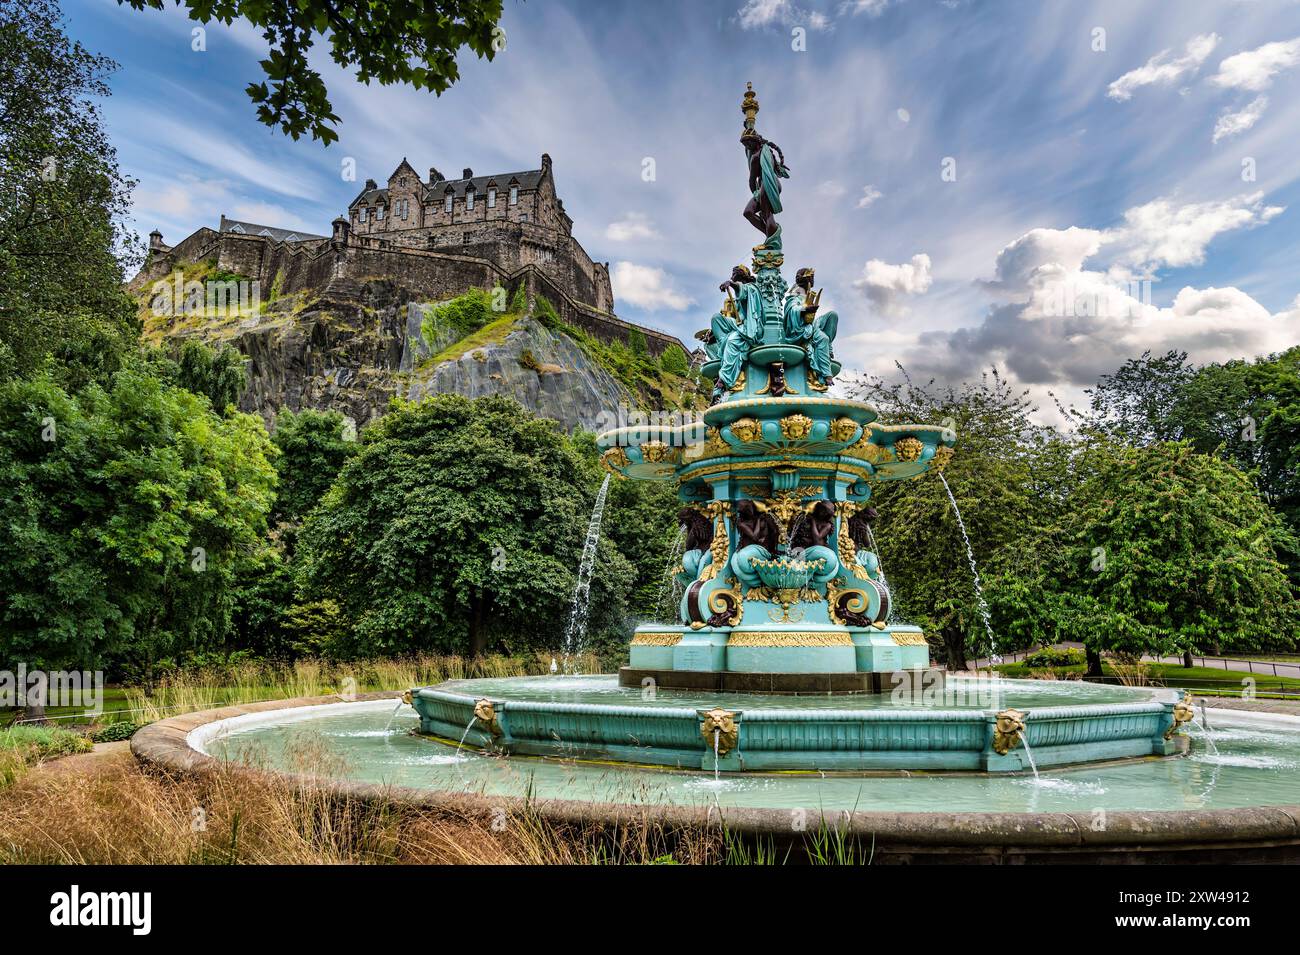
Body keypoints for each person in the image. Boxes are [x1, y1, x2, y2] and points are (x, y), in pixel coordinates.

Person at [709, 265, 763, 404]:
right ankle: (724, 345)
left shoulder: (752, 288)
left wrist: (732, 284)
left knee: (732, 341)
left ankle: (723, 381)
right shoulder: (741, 289)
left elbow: (744, 290)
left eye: (734, 273)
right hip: (739, 324)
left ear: (741, 275)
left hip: (750, 327)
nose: (732, 275)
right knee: (716, 319)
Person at [782, 266, 838, 388]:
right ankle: (826, 374)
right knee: (822, 338)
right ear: (804, 279)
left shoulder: (807, 293)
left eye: (813, 277)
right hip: (801, 329)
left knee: (832, 316)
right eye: (810, 277)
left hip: (811, 324)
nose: (812, 280)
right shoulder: (796, 292)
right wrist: (805, 309)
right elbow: (791, 309)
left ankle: (827, 348)